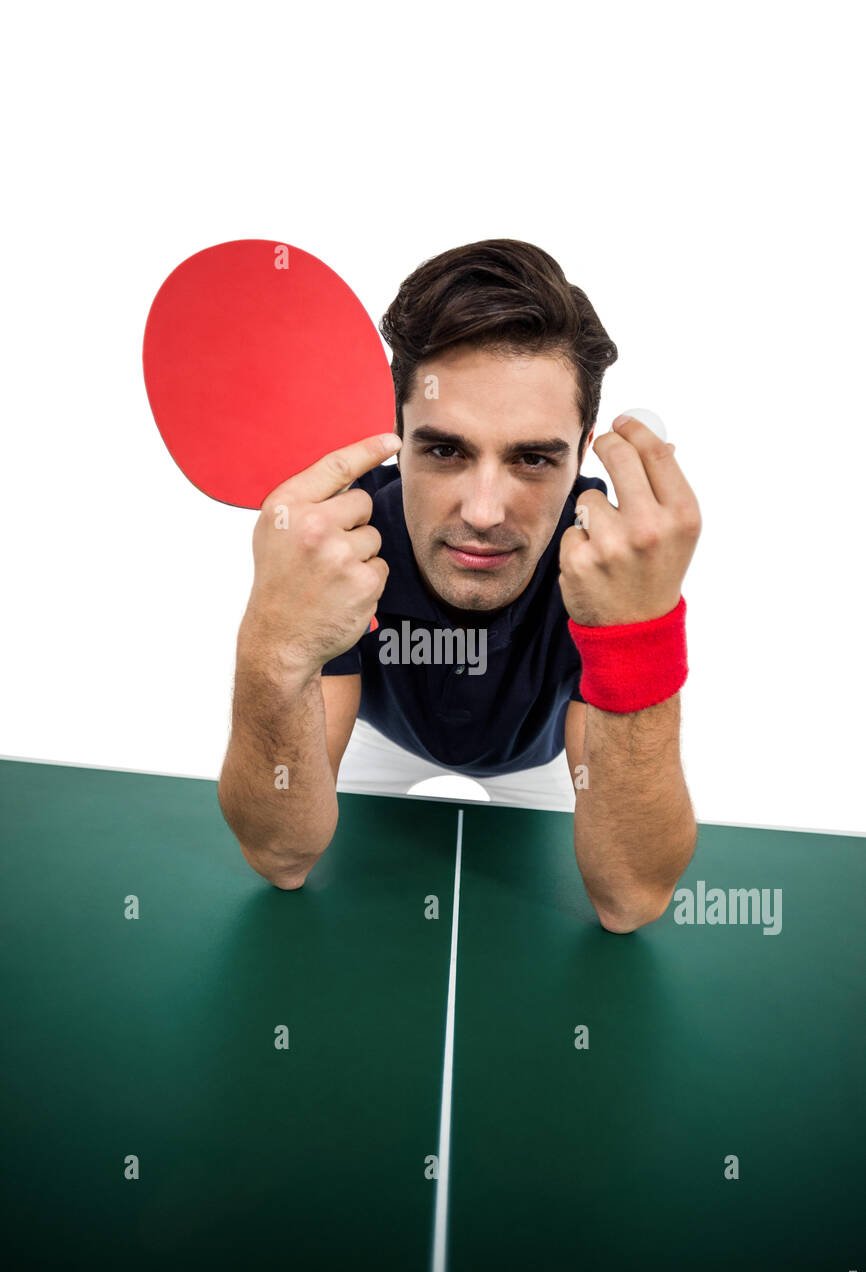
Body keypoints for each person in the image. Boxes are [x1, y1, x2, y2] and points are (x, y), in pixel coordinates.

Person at [218, 239, 702, 932]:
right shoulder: (341, 541)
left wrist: (640, 634)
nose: (482, 512)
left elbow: (630, 902)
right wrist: (271, 641)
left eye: (533, 459)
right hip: (377, 738)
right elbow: (280, 858)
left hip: (540, 760)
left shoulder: (602, 563)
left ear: (584, 444)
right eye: (445, 450)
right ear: (399, 429)